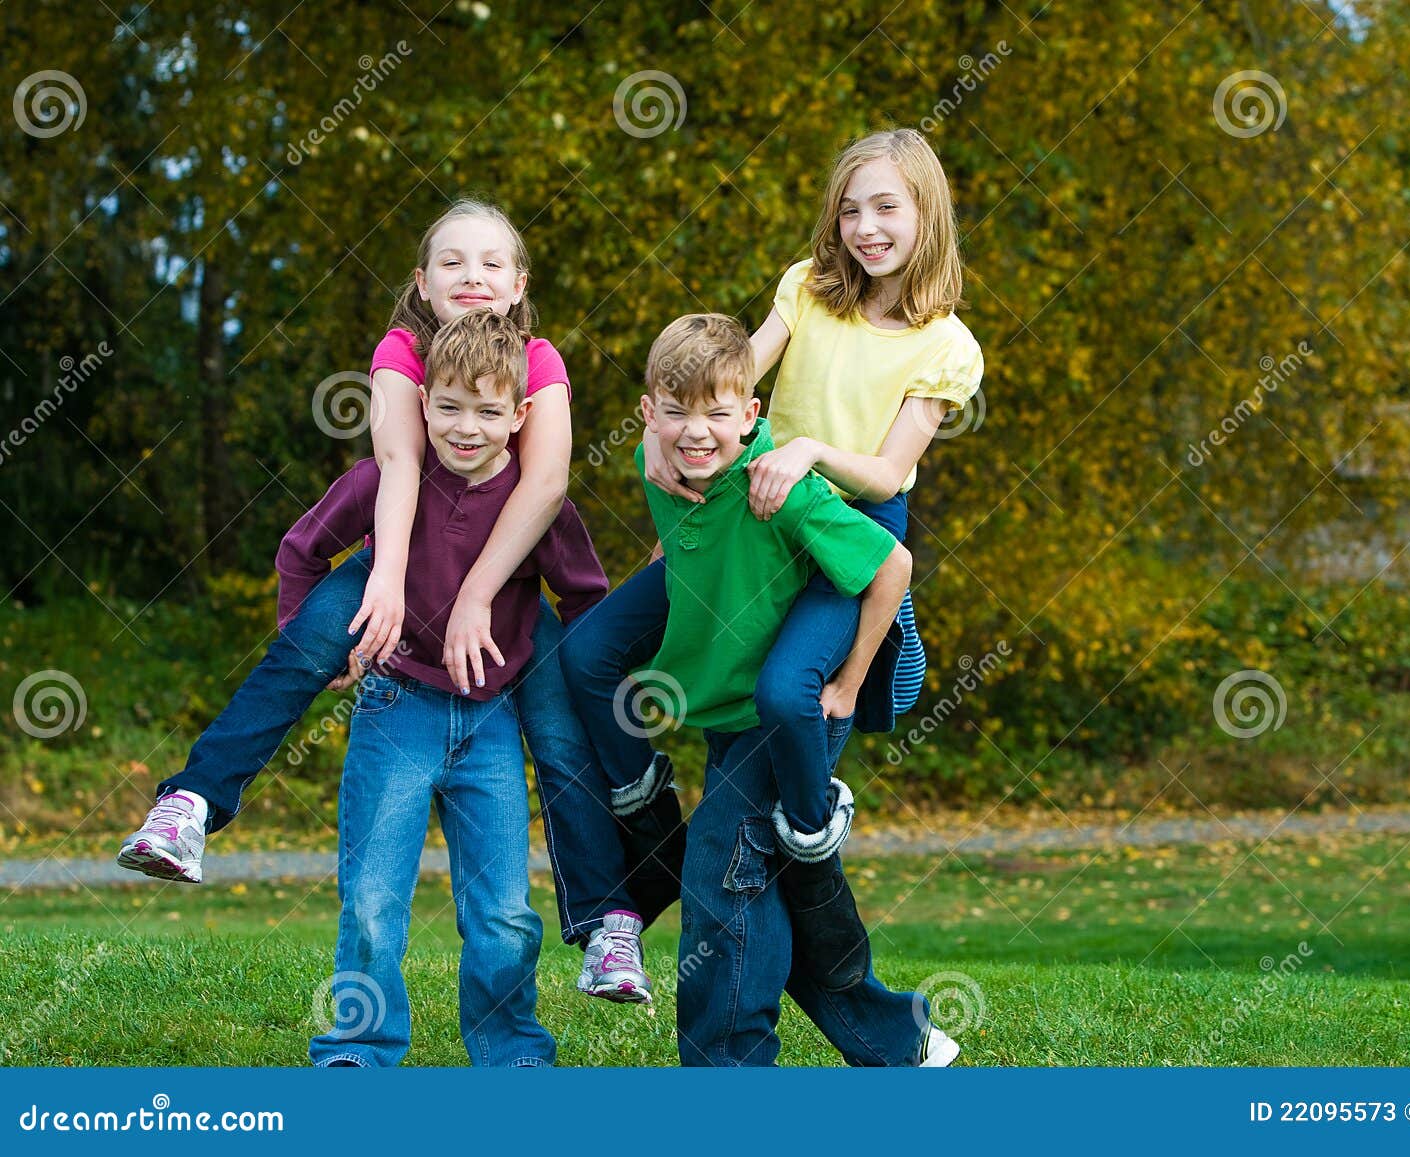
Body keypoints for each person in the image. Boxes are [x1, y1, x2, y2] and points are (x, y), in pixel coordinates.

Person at [117, 199, 662, 1002]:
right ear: (421, 282)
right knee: (307, 643)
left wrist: (496, 603)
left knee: (561, 729)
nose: (471, 275)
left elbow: (543, 486)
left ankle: (611, 924)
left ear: (518, 284)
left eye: (490, 263)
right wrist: (383, 579)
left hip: (508, 592)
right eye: (451, 261)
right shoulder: (403, 350)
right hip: (399, 554)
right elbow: (395, 467)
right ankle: (190, 804)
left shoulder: (538, 360)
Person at [563, 128, 984, 989]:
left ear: (925, 214)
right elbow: (732, 375)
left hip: (848, 524)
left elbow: (890, 469)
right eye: (850, 207)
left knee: (782, 693)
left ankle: (814, 820)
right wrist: (671, 427)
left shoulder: (948, 345)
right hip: (752, 506)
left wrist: (809, 452)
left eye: (887, 207)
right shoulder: (807, 287)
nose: (866, 226)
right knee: (588, 653)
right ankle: (651, 820)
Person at [584, 312, 958, 1065]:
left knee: (723, 872)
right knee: (758, 881)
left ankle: (729, 1069)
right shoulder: (658, 462)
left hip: (795, 703)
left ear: (752, 414)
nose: (696, 433)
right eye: (676, 412)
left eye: (718, 414)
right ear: (649, 413)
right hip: (733, 702)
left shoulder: (781, 488)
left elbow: (892, 565)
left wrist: (851, 681)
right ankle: (898, 1042)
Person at [289, 310, 575, 1065]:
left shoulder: (535, 502)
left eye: (488, 412)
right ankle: (358, 1046)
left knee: (504, 911)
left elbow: (584, 600)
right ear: (423, 406)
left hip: (491, 721)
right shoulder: (388, 483)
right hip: (395, 709)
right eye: (449, 406)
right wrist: (316, 648)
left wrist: (592, 696)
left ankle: (512, 1050)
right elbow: (302, 550)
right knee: (376, 900)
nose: (467, 427)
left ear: (520, 416)